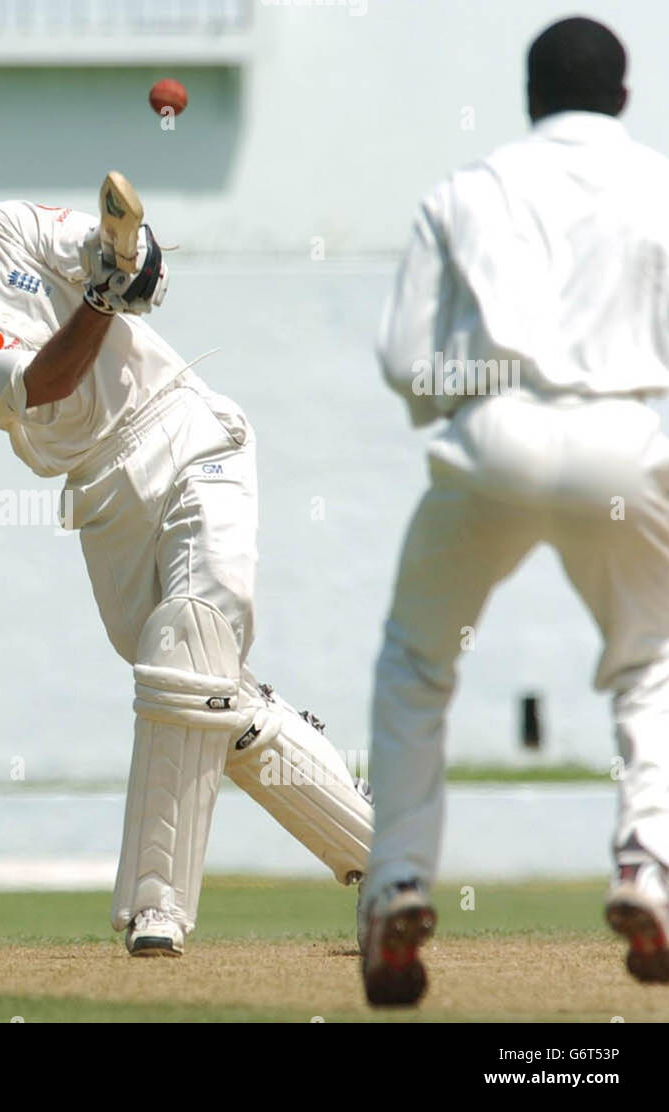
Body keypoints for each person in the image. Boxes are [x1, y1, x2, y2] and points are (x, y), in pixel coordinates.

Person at [0, 177, 374, 956]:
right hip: (102, 491)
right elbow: (49, 381)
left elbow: (109, 249)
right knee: (195, 686)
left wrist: (135, 262)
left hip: (187, 430)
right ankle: (378, 856)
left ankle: (156, 909)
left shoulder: (2, 228)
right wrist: (103, 300)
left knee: (192, 639)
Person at [362, 15, 669, 1005]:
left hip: (490, 442)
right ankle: (646, 868)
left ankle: (398, 883)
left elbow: (406, 362)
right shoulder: (660, 184)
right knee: (652, 660)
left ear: (529, 97)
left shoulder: (466, 190)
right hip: (623, 445)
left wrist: (485, 390)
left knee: (417, 660)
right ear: (622, 97)